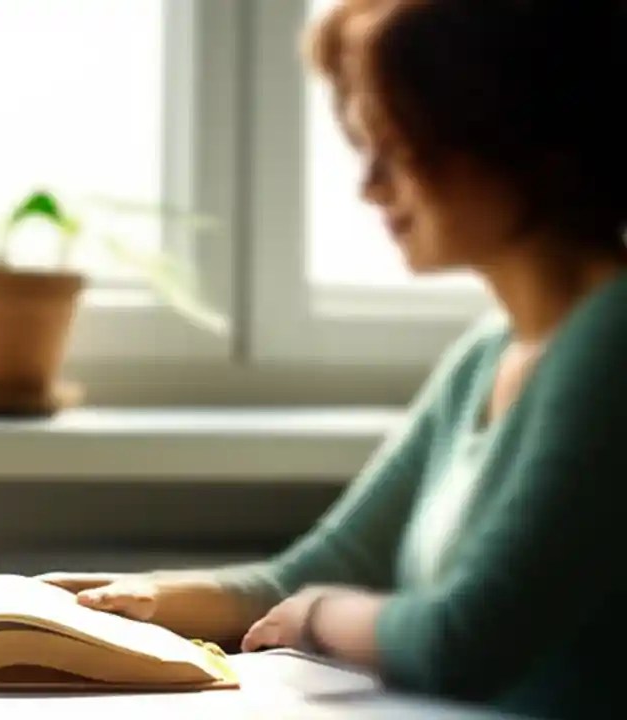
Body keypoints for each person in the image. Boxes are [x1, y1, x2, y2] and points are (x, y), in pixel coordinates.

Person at [40, 1, 627, 717]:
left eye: (400, 145)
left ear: (515, 130)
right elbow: (320, 570)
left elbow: (468, 638)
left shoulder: (612, 338)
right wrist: (139, 598)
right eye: (364, 147)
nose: (371, 185)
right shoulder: (486, 353)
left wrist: (321, 615)